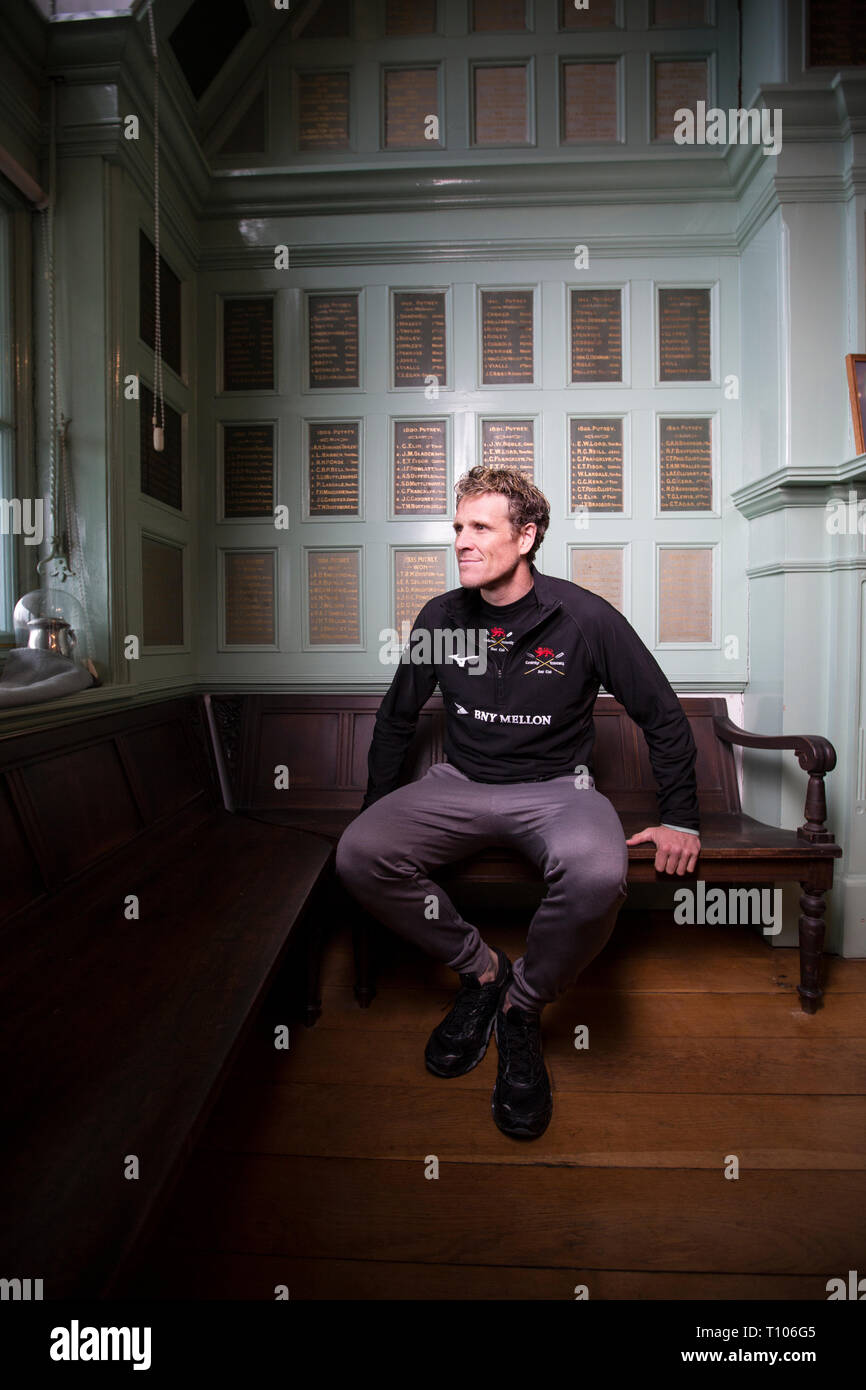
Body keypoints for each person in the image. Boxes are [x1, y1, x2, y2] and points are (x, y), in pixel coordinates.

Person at [335, 466, 701, 1141]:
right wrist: (376, 809)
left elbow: (663, 715)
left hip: (561, 788)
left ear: (526, 535)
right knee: (359, 854)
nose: (462, 543)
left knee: (597, 874)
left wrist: (680, 815)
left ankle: (521, 1005)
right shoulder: (442, 617)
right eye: (457, 529)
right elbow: (396, 718)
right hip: (461, 783)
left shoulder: (585, 617)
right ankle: (481, 970)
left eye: (480, 528)